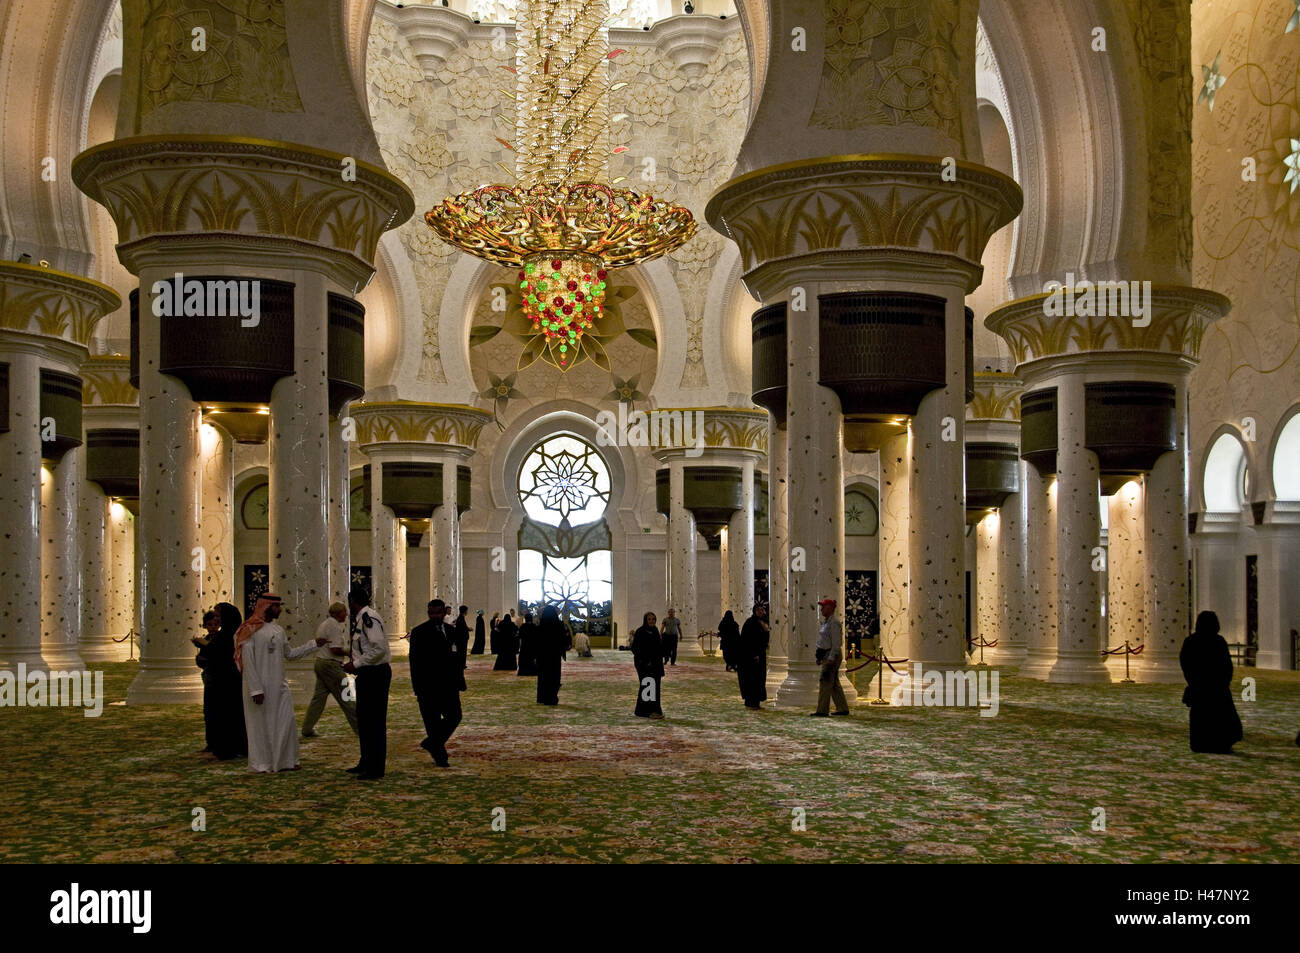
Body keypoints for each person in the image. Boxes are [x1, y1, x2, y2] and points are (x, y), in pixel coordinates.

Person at [234, 593, 327, 773]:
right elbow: (248, 662)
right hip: (258, 688)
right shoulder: (248, 630)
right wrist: (255, 689)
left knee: (286, 722)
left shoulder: (278, 630)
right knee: (260, 726)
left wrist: (313, 645)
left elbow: (290, 654)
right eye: (277, 606)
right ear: (267, 607)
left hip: (279, 686)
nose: (280, 610)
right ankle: (262, 764)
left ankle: (287, 761)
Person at [409, 599, 464, 767]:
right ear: (428, 613)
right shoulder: (419, 632)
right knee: (432, 722)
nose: (435, 616)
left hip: (449, 685)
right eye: (431, 613)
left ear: (444, 612)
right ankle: (441, 757)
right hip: (428, 686)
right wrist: (417, 687)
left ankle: (431, 742)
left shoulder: (450, 630)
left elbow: (456, 656)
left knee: (455, 716)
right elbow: (415, 662)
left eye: (438, 613)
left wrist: (459, 680)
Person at [1180, 610, 1244, 754]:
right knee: (1220, 717)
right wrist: (1224, 682)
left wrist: (1193, 681)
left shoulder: (1191, 641)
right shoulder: (1218, 641)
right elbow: (1226, 665)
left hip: (1199, 686)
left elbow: (1186, 663)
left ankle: (1200, 744)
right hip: (1217, 687)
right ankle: (1220, 744)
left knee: (1200, 717)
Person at [345, 583, 392, 780]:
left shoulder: (368, 618)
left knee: (374, 722)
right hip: (367, 674)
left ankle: (375, 768)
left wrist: (356, 664)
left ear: (352, 603)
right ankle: (366, 761)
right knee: (365, 721)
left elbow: (378, 648)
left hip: (375, 674)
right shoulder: (361, 618)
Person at [301, 602, 359, 739]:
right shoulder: (334, 626)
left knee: (318, 700)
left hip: (321, 663)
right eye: (344, 612)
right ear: (338, 613)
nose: (347, 614)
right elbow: (335, 649)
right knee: (347, 697)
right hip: (330, 666)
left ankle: (307, 729)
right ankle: (360, 729)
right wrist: (351, 653)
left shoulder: (326, 624)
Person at [203, 603, 247, 760]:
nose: (217, 619)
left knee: (229, 714)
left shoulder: (231, 636)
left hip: (227, 682)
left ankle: (229, 748)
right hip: (221, 681)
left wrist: (206, 650)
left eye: (219, 616)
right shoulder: (226, 635)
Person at [812, 597, 850, 717]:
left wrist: (831, 658)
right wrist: (820, 656)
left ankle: (822, 710)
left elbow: (836, 643)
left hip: (831, 655)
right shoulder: (827, 622)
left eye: (823, 606)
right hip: (826, 654)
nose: (821, 609)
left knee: (825, 681)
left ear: (830, 608)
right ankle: (842, 708)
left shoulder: (834, 623)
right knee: (833, 683)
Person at [193, 609, 221, 752]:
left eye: (215, 624)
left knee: (217, 712)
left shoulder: (219, 640)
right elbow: (202, 661)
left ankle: (218, 743)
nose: (212, 628)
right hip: (209, 679)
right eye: (209, 625)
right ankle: (210, 743)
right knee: (208, 712)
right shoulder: (207, 640)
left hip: (218, 680)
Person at [631, 611, 665, 719]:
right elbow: (636, 648)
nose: (651, 621)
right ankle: (644, 711)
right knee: (647, 686)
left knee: (655, 687)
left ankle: (655, 710)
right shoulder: (640, 631)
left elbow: (658, 648)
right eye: (649, 619)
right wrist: (645, 661)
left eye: (653, 619)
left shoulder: (654, 631)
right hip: (644, 664)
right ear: (645, 620)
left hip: (655, 664)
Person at [738, 602, 770, 710]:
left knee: (759, 679)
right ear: (755, 611)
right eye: (758, 610)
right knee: (752, 679)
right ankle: (751, 702)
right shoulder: (750, 623)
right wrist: (754, 654)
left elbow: (764, 639)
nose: (761, 612)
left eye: (762, 610)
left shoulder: (762, 622)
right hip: (751, 657)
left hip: (760, 655)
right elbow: (748, 641)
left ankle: (755, 702)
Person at [536, 605, 566, 705]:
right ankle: (552, 697)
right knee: (554, 676)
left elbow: (537, 641)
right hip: (555, 655)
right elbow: (563, 639)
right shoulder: (559, 624)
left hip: (543, 655)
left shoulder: (541, 625)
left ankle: (542, 697)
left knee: (543, 676)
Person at [516, 611, 539, 676]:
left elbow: (520, 636)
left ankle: (524, 671)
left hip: (525, 645)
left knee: (524, 659)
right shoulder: (534, 626)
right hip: (532, 646)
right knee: (532, 658)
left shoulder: (523, 627)